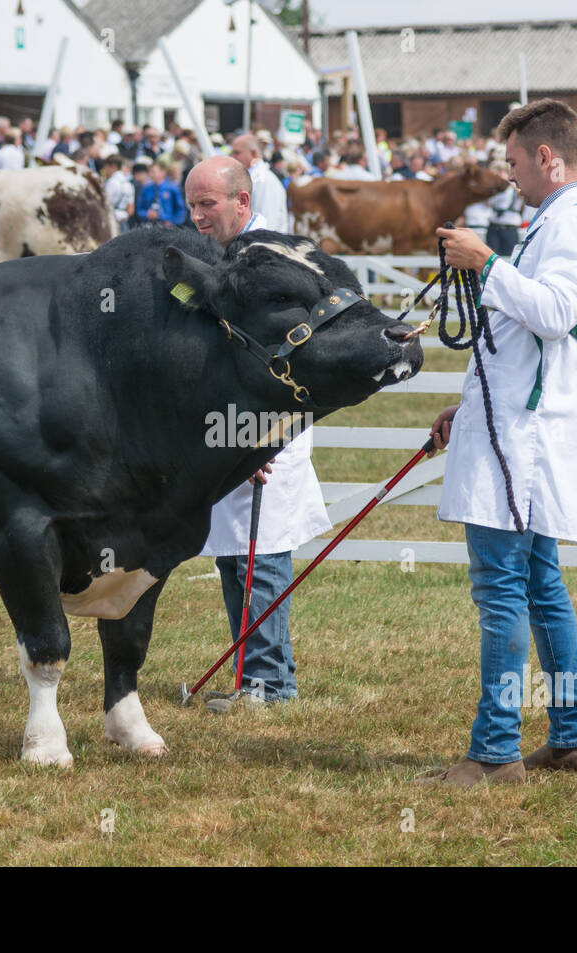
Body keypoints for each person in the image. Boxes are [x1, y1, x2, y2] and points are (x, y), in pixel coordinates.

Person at [423, 99, 577, 786]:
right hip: (516, 425)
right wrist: (467, 404)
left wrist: (485, 263)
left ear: (546, 158)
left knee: (502, 586)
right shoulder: (562, 220)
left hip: (523, 441)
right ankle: (572, 736)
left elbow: (556, 315)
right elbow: (519, 342)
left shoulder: (570, 223)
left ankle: (496, 750)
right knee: (538, 584)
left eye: (513, 164)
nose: (509, 177)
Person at [183, 155, 332, 708]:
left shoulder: (274, 262)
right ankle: (259, 674)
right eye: (192, 204)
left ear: (242, 202)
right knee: (232, 552)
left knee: (259, 553)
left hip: (266, 425)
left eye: (208, 204)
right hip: (225, 428)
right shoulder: (214, 258)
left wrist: (264, 433)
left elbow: (296, 357)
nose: (197, 216)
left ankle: (270, 685)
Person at [484, 159, 522, 257]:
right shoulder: (493, 190)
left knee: (509, 259)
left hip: (509, 228)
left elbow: (521, 194)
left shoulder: (514, 187)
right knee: (490, 258)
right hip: (493, 227)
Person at [135, 156, 186, 227]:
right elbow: (139, 210)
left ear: (163, 172)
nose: (151, 174)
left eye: (154, 171)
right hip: (149, 226)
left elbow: (180, 210)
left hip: (167, 227)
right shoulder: (146, 189)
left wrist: (172, 222)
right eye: (150, 171)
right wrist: (147, 213)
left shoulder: (172, 188)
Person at [101, 154, 135, 231]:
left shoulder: (111, 182)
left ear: (113, 166)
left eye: (106, 167)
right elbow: (130, 210)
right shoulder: (129, 184)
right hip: (124, 222)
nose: (104, 170)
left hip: (111, 222)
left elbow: (104, 204)